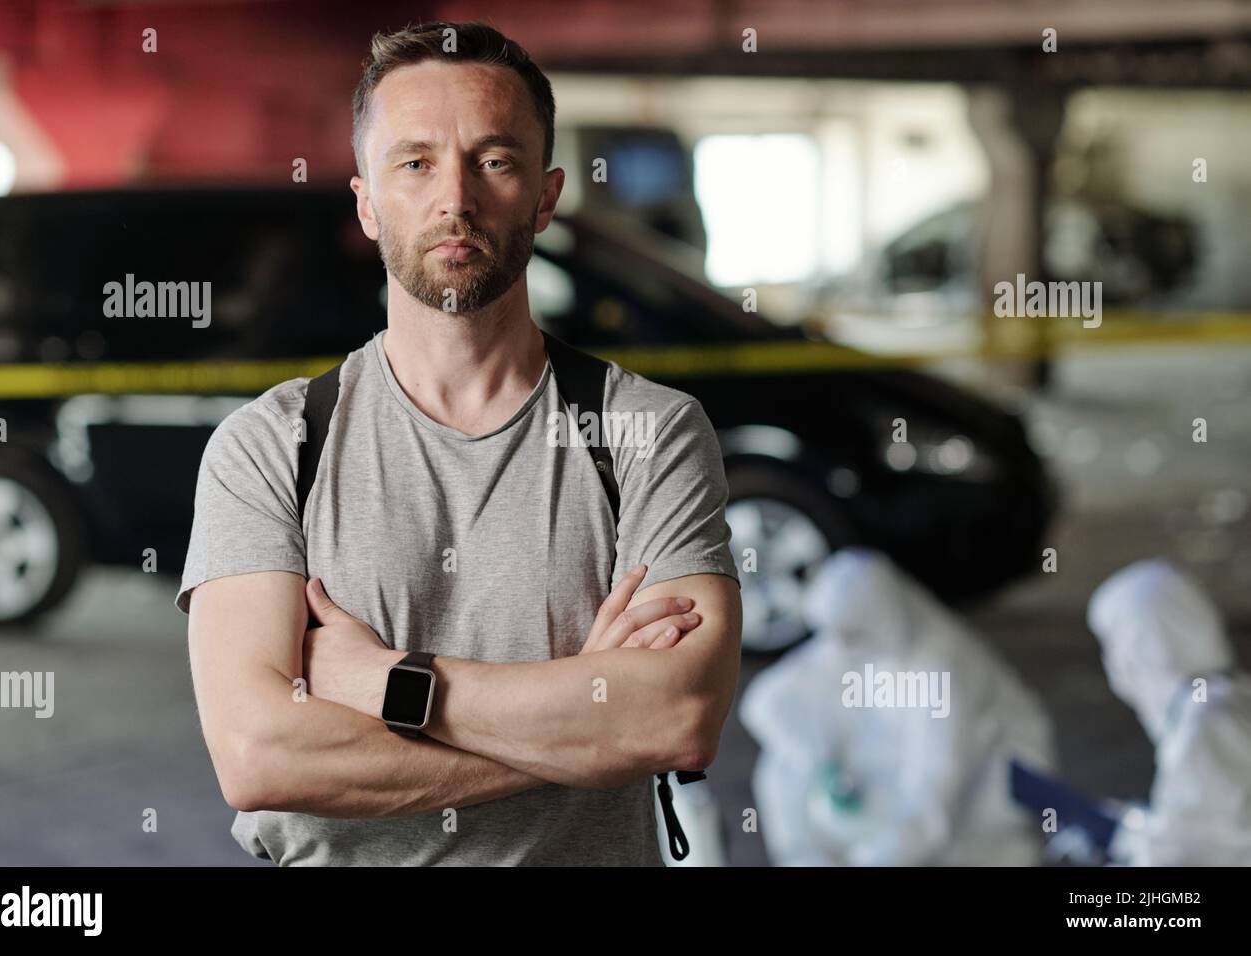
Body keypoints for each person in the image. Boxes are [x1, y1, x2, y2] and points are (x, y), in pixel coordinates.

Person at [177, 21, 742, 866]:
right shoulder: (270, 447)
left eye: (495, 161)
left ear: (545, 198)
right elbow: (260, 756)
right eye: (415, 163)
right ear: (366, 202)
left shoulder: (647, 433)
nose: (455, 199)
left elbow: (676, 719)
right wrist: (586, 730)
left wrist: (379, 679)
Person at [740, 548, 1055, 866]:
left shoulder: (939, 666)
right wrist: (815, 752)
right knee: (784, 767)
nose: (836, 647)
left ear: (879, 618)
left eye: (849, 635)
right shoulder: (857, 643)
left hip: (985, 782)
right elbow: (768, 699)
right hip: (901, 764)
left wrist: (885, 855)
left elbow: (937, 782)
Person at [1087, 559, 1251, 866]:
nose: (1114, 664)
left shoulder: (1209, 719)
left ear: (1139, 641)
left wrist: (1125, 843)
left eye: (1113, 643)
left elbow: (1196, 854)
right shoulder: (1226, 700)